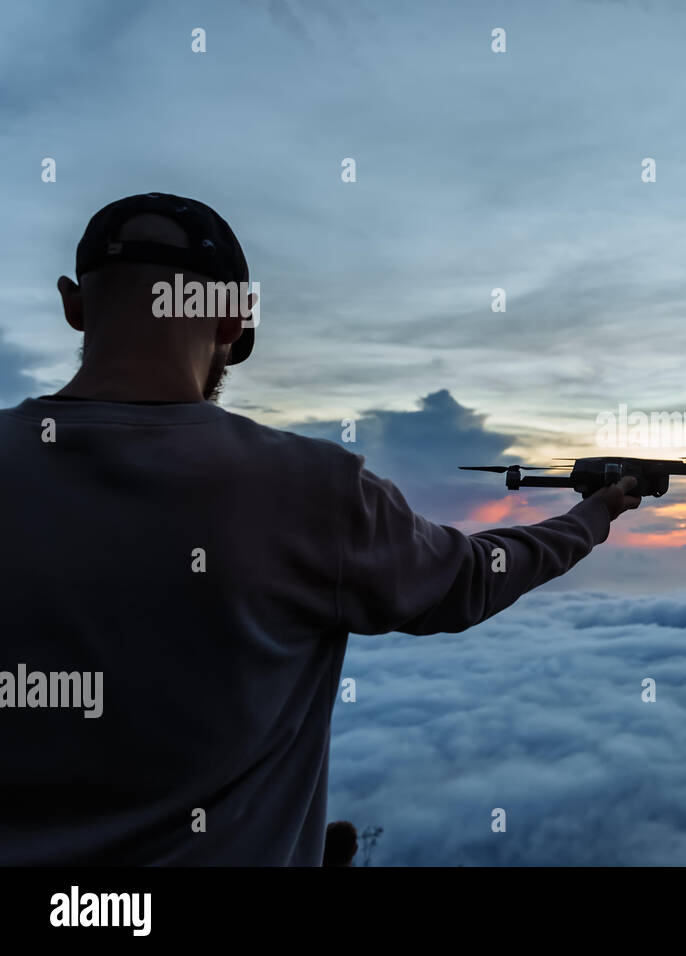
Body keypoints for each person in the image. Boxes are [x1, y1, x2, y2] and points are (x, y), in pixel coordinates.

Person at [0, 193, 641, 866]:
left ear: (73, 303)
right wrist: (592, 518)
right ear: (231, 319)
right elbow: (474, 579)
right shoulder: (310, 488)